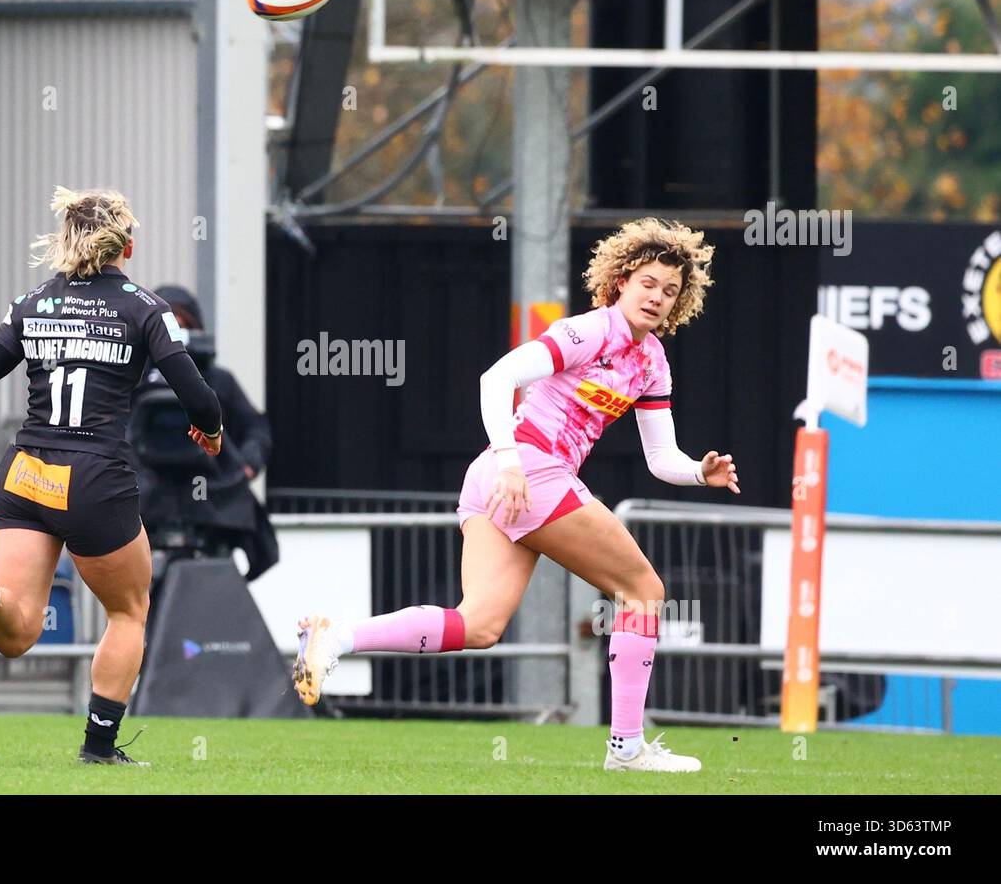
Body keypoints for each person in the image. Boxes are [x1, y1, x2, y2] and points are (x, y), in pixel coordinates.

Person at [293, 218, 737, 773]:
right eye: (648, 282)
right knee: (643, 589)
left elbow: (660, 459)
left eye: (670, 291)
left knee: (478, 625)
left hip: (507, 479)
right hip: (523, 470)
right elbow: (495, 379)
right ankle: (626, 749)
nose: (657, 297)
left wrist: (699, 471)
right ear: (620, 281)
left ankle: (337, 637)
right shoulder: (589, 331)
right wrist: (510, 463)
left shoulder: (651, 363)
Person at [0, 186, 223, 765]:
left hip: (26, 470)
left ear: (64, 243)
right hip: (94, 477)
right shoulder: (146, 308)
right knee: (128, 612)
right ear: (126, 247)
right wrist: (211, 431)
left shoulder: (30, 302)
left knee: (16, 633)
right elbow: (198, 397)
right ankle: (99, 747)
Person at [129, 284, 278, 580]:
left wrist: (247, 463)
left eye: (183, 324)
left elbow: (256, 429)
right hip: (146, 503)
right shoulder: (129, 381)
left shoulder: (220, 382)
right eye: (167, 323)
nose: (175, 332)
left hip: (213, 503)